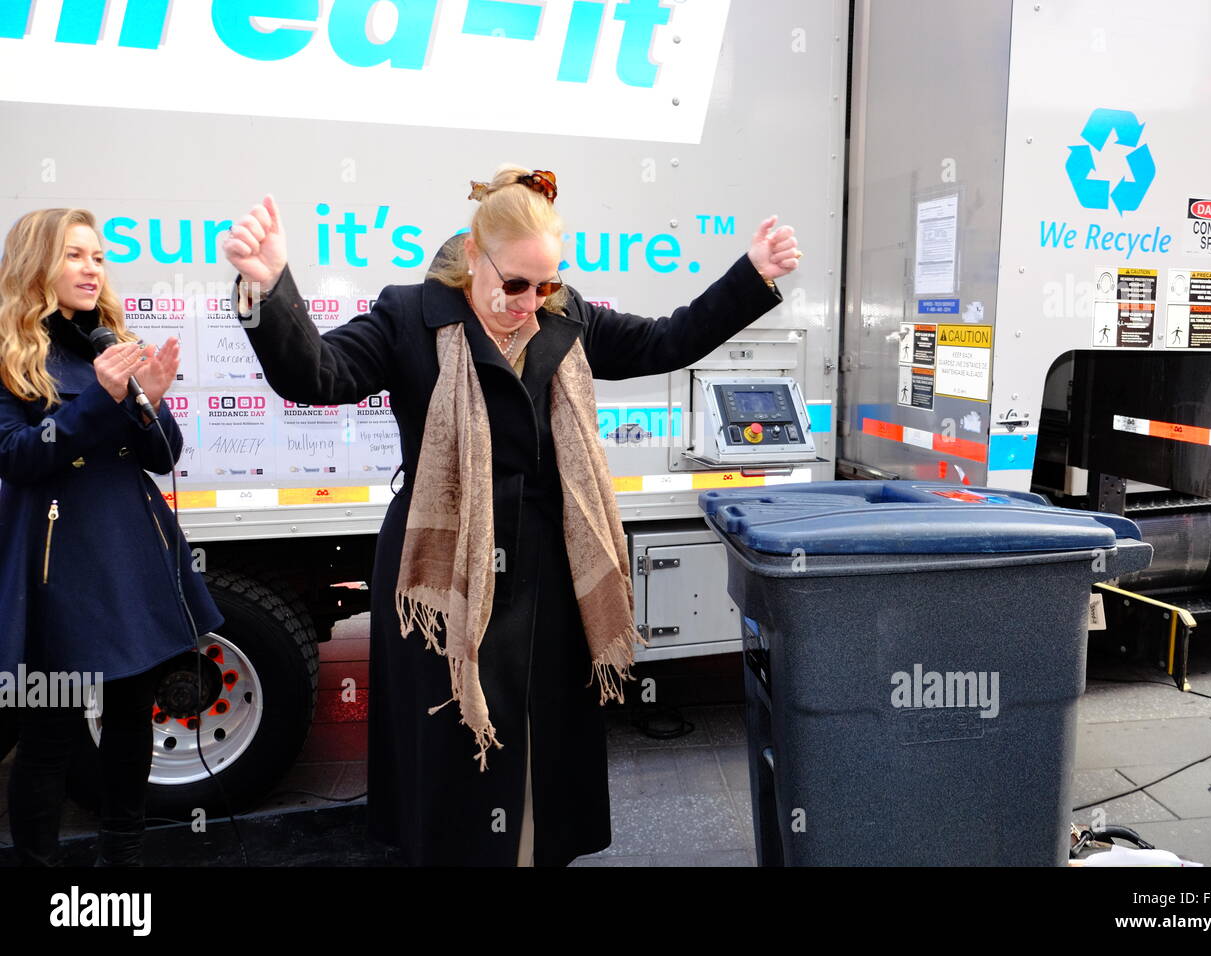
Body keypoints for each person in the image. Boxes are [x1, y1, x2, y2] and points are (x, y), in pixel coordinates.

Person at [222, 165, 800, 866]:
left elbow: (665, 342)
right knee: (455, 751)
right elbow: (317, 375)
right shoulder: (408, 316)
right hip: (444, 572)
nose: (530, 302)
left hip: (548, 574)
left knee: (541, 742)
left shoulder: (568, 319)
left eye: (546, 284)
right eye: (516, 284)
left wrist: (751, 276)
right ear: (474, 256)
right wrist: (266, 290)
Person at [0, 208, 224, 865]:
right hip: (57, 575)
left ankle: (121, 863)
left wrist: (148, 397)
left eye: (98, 256)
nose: (92, 268)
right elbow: (17, 456)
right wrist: (103, 397)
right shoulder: (12, 354)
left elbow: (161, 455)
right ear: (38, 265)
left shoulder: (110, 340)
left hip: (132, 559)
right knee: (50, 737)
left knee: (131, 721)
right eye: (75, 255)